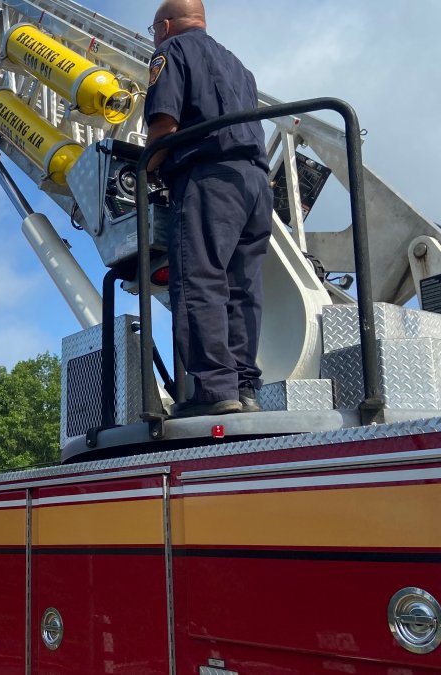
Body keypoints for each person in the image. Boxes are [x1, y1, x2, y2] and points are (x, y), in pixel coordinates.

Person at [143, 0, 272, 417]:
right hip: (254, 183)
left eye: (153, 29)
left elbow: (165, 124)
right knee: (243, 287)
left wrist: (147, 167)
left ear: (164, 26)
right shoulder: (240, 66)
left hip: (209, 179)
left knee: (200, 281)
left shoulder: (171, 52)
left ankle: (215, 392)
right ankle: (245, 387)